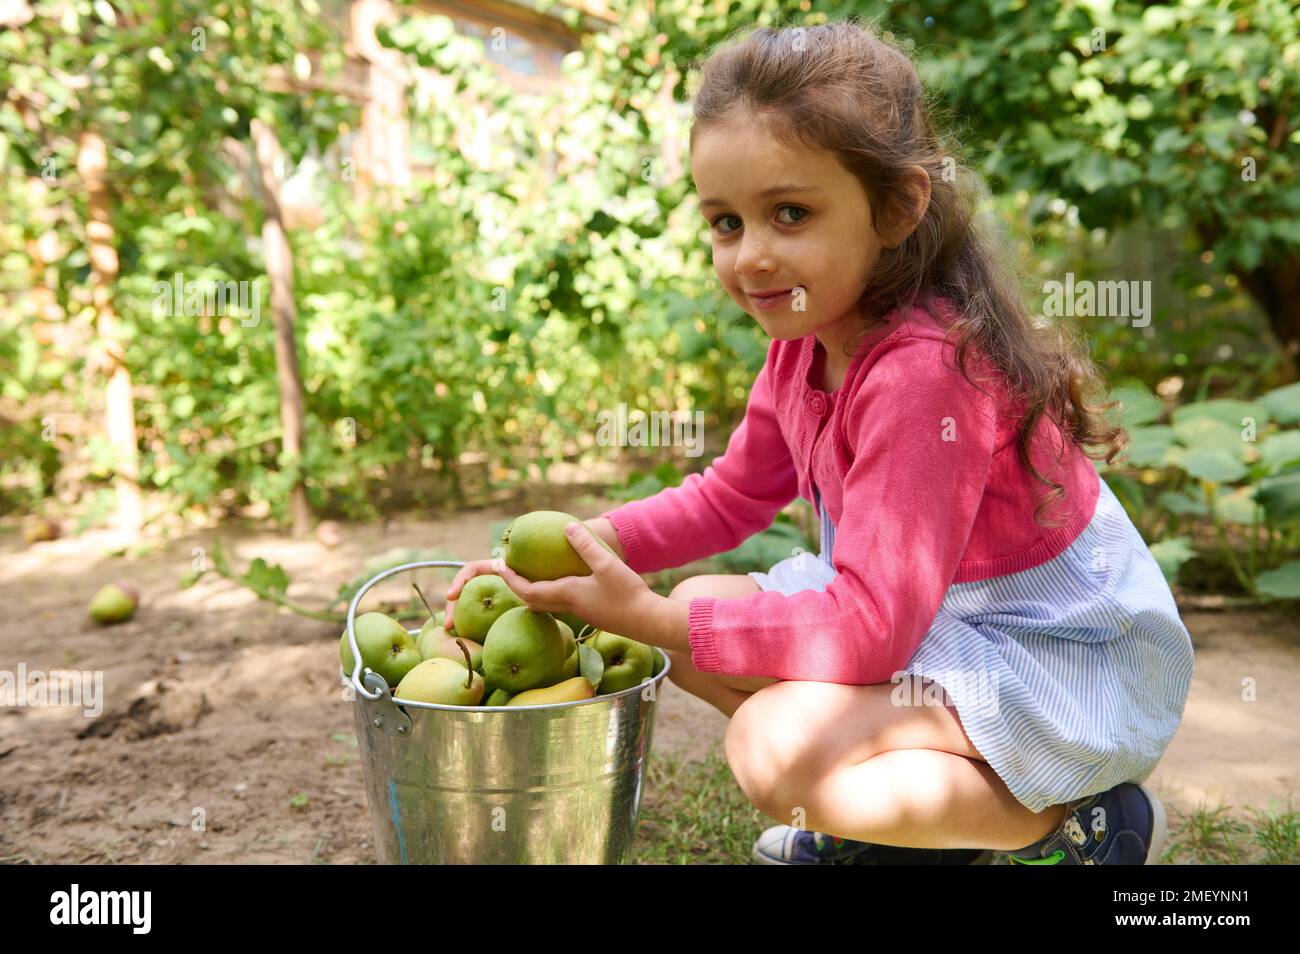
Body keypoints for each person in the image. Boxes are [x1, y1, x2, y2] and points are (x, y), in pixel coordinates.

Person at [445, 20, 1194, 866]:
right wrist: (589, 549)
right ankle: (908, 839)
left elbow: (871, 627)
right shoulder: (806, 343)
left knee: (770, 743)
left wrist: (649, 618)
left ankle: (1082, 828)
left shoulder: (924, 374)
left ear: (899, 206)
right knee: (703, 604)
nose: (752, 256)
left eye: (790, 213)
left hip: (1059, 663)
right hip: (947, 632)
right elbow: (732, 495)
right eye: (725, 223)